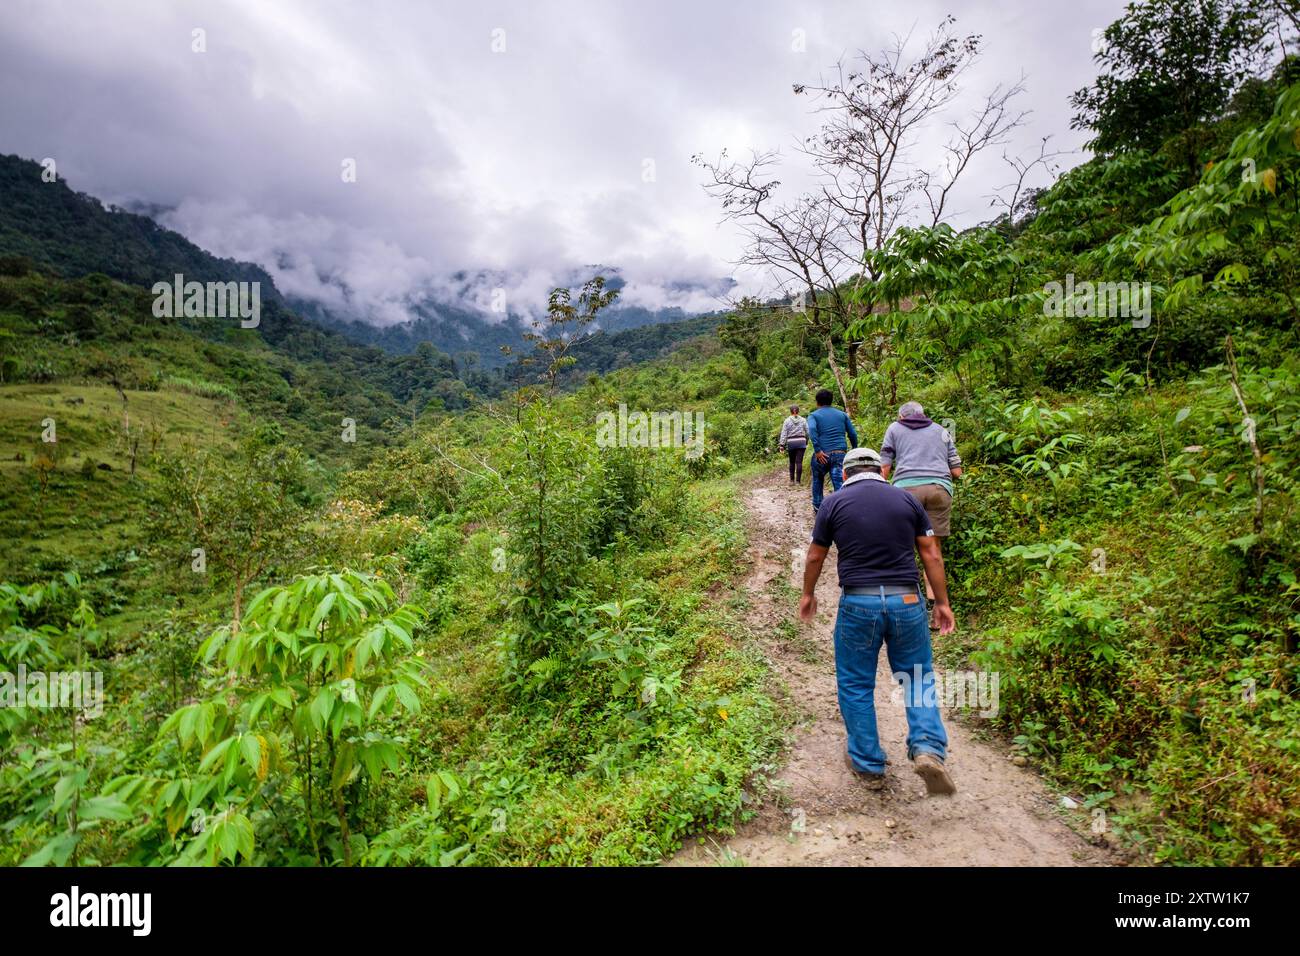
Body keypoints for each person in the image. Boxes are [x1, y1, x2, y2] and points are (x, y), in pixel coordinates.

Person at [799, 446, 957, 796]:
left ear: (846, 474)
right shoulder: (907, 501)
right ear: (882, 471)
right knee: (916, 676)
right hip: (907, 599)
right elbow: (930, 552)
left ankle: (868, 763)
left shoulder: (833, 503)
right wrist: (942, 602)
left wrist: (808, 594)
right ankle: (929, 748)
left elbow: (815, 555)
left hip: (859, 601)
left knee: (855, 682)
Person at [880, 401, 962, 610]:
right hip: (939, 490)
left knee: (903, 547)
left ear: (901, 416)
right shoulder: (940, 429)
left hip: (906, 493)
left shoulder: (894, 428)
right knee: (933, 550)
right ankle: (937, 607)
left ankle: (907, 603)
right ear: (923, 415)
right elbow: (956, 471)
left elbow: (885, 466)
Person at [806, 388, 858, 513]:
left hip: (822, 455)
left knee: (818, 480)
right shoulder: (842, 414)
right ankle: (841, 510)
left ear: (817, 402)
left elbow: (812, 430)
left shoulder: (813, 416)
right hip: (840, 454)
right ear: (831, 401)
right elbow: (852, 434)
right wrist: (854, 450)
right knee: (839, 483)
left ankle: (818, 508)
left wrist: (817, 451)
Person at [778, 405, 809, 483]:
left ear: (790, 411)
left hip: (791, 442)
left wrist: (782, 444)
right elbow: (808, 431)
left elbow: (784, 433)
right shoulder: (803, 420)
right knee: (799, 462)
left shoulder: (787, 420)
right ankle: (798, 481)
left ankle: (792, 480)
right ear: (798, 411)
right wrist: (807, 440)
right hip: (801, 442)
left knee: (792, 462)